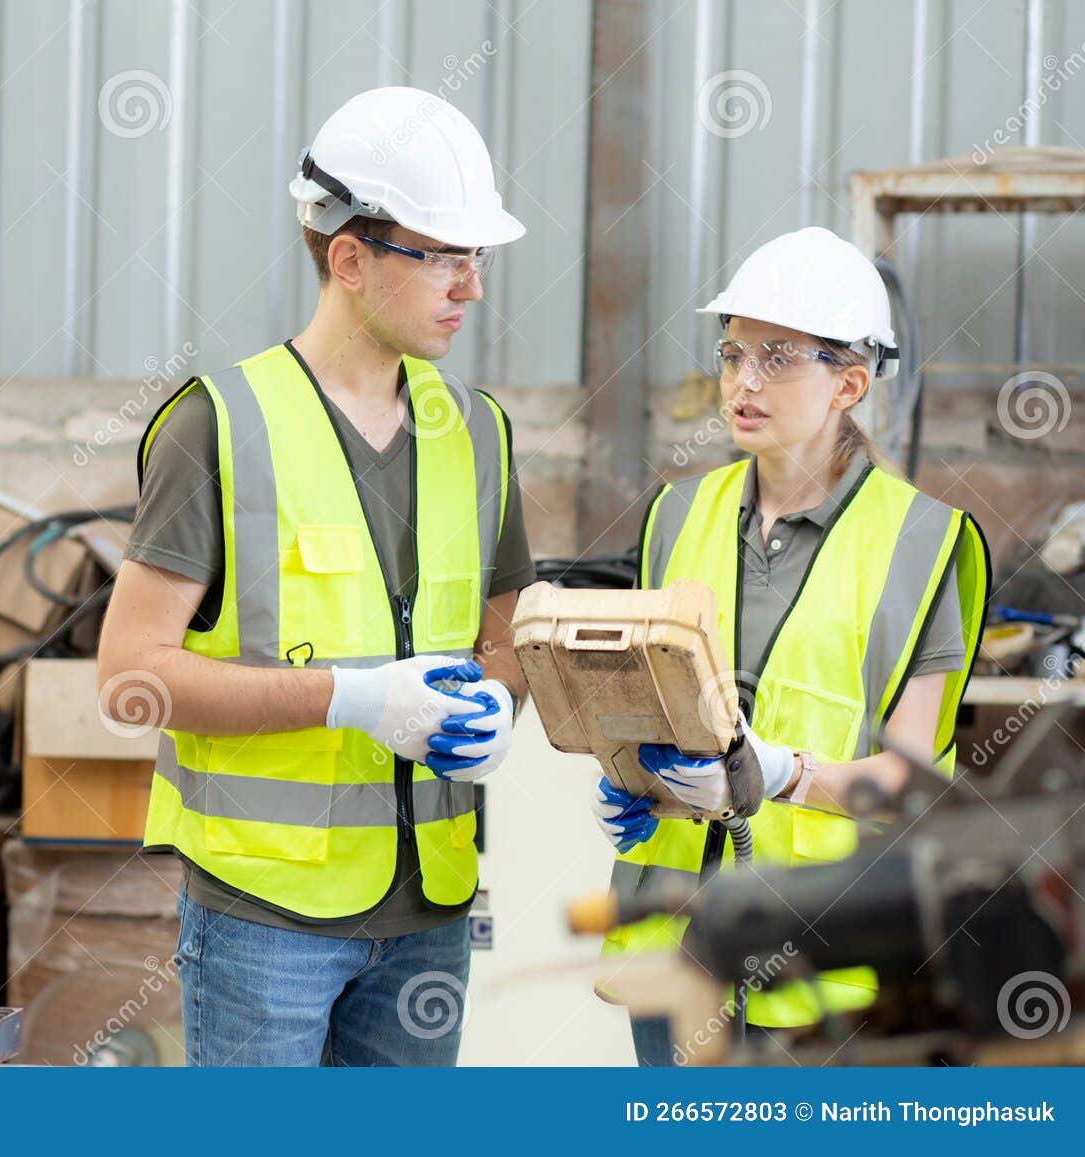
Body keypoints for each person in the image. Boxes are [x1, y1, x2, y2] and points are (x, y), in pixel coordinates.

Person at [97, 87, 535, 1067]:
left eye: (478, 257)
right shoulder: (216, 427)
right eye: (444, 256)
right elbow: (129, 674)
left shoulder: (480, 434)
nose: (470, 286)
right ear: (349, 258)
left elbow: (505, 639)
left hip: (431, 903)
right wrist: (351, 698)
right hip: (266, 921)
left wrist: (500, 705)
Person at [591, 226, 990, 1064]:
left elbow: (909, 786)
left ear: (850, 382)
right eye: (733, 353)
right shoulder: (677, 516)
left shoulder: (925, 544)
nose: (741, 381)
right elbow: (651, 714)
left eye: (778, 358)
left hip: (825, 962)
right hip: (678, 942)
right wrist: (633, 786)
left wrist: (784, 775)